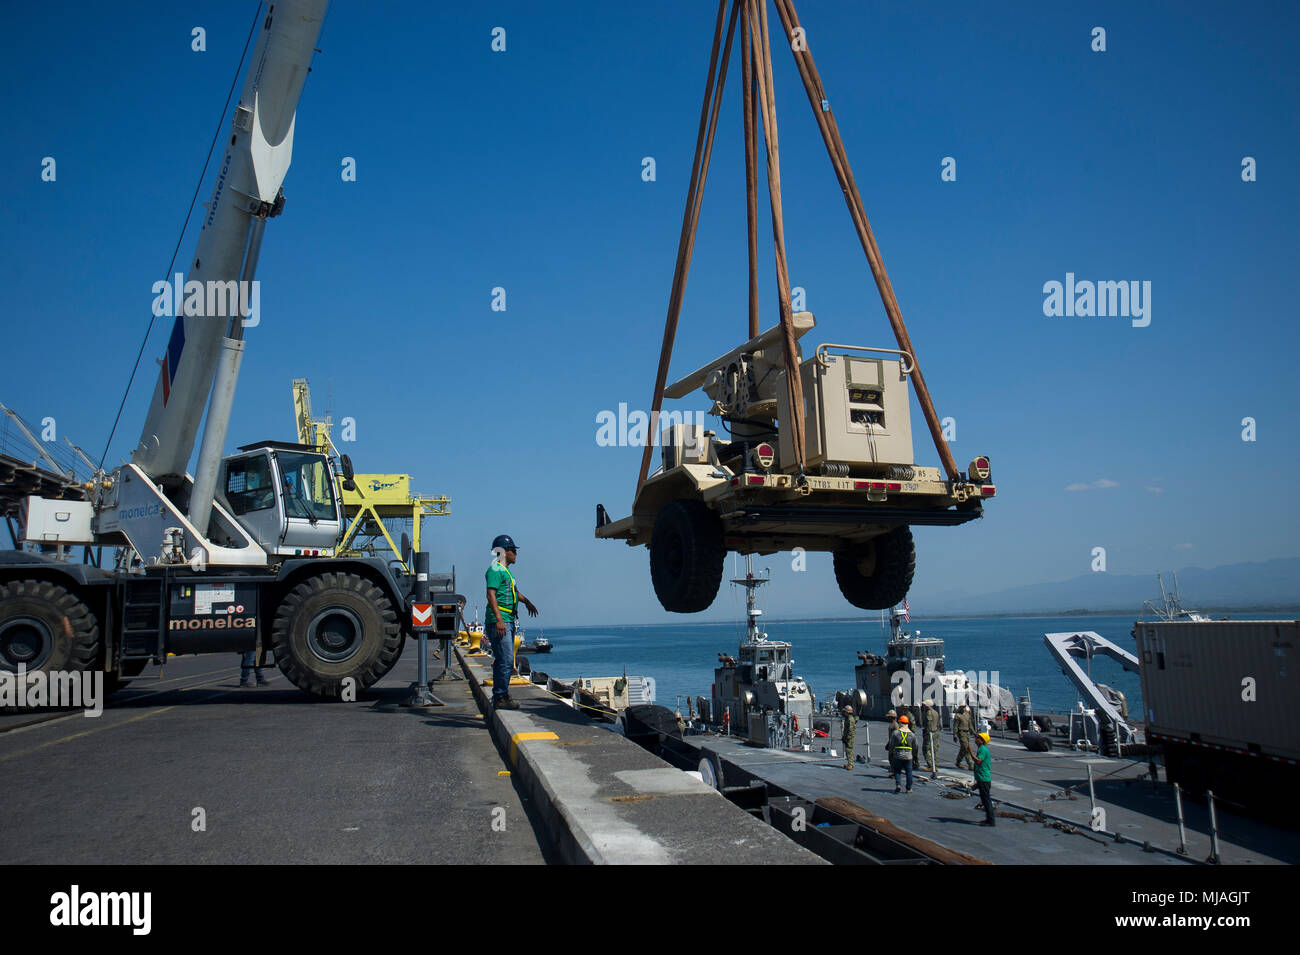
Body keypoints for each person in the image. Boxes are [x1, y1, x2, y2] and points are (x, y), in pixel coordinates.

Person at [484, 534, 539, 710]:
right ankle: (500, 697)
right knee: (506, 659)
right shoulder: (495, 570)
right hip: (499, 621)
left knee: (505, 659)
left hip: (508, 620)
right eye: (513, 550)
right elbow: (490, 594)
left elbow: (515, 592)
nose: (516, 553)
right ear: (504, 552)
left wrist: (527, 602)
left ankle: (502, 695)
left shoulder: (507, 572)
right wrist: (499, 620)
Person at [887, 714, 916, 792]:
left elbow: (891, 744)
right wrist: (915, 757)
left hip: (898, 755)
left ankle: (898, 784)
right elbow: (915, 747)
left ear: (900, 723)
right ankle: (909, 788)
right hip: (908, 756)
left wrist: (891, 754)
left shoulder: (895, 733)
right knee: (909, 772)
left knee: (897, 771)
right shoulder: (912, 735)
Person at [972, 731, 995, 826]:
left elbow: (978, 761)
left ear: (982, 740)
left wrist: (970, 752)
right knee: (985, 800)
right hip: (982, 779)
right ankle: (988, 819)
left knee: (986, 801)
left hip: (984, 779)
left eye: (978, 737)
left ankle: (990, 821)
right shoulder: (981, 748)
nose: (976, 739)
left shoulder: (982, 750)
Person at [953, 704, 974, 769]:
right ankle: (970, 764)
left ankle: (958, 761)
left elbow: (970, 725)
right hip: (961, 732)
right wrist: (955, 734)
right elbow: (955, 726)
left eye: (964, 707)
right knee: (966, 747)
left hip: (967, 732)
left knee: (965, 748)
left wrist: (974, 732)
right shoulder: (958, 716)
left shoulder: (967, 714)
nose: (963, 709)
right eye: (962, 707)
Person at [922, 699, 940, 773]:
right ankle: (935, 765)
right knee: (935, 750)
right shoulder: (936, 712)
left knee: (926, 749)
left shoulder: (929, 713)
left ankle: (931, 766)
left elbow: (929, 724)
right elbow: (938, 723)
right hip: (936, 732)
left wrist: (927, 733)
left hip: (930, 733)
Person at [841, 704, 857, 770]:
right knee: (848, 750)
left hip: (849, 738)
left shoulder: (850, 720)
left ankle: (851, 764)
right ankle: (849, 763)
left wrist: (847, 738)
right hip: (847, 737)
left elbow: (850, 730)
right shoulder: (848, 719)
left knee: (849, 750)